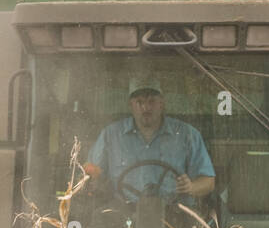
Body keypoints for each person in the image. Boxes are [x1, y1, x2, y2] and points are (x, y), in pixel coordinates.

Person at [82, 77, 215, 202]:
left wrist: (191, 187)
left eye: (151, 101)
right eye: (139, 102)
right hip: (124, 213)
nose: (145, 107)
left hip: (175, 214)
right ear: (131, 105)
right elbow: (89, 172)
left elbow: (208, 182)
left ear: (161, 104)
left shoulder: (187, 135)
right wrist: (93, 178)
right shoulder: (110, 135)